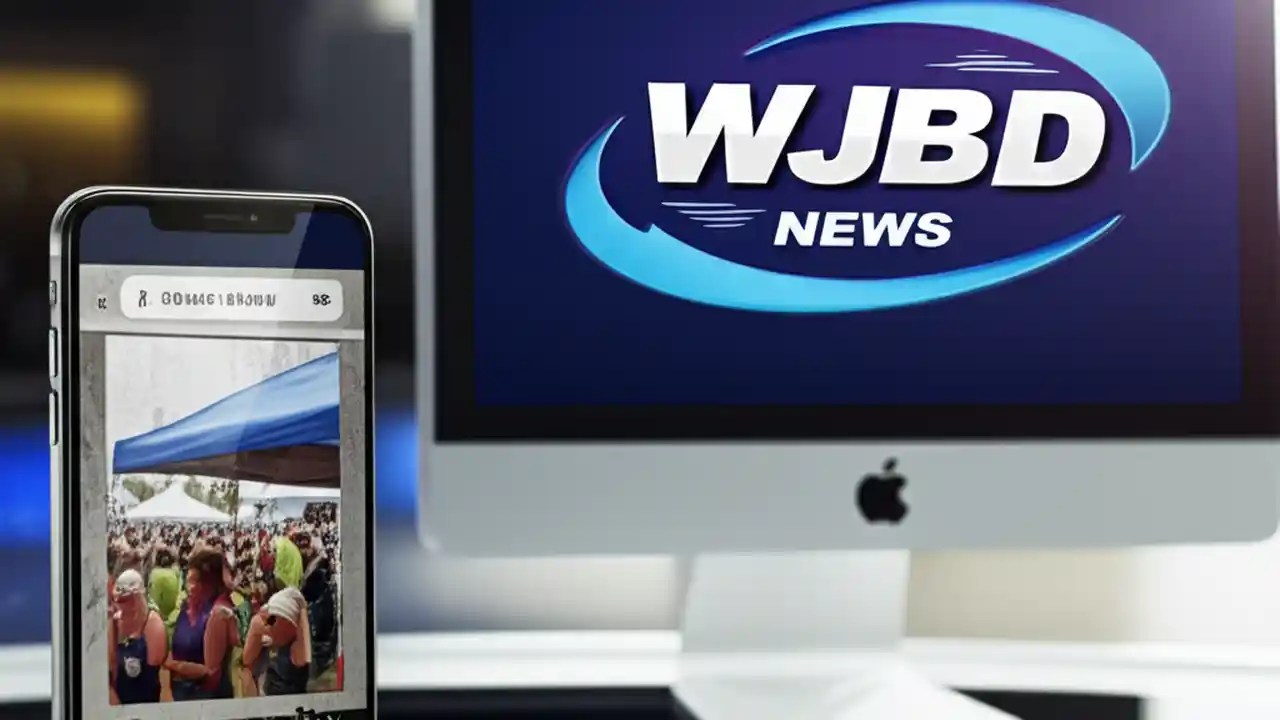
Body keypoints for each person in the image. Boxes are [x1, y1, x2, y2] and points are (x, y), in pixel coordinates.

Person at [165, 547, 238, 700]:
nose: (190, 587)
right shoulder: (186, 607)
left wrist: (173, 665)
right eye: (189, 580)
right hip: (181, 693)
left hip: (206, 698)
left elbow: (212, 674)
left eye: (196, 581)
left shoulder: (218, 613)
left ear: (210, 583)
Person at [108, 570, 166, 705]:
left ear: (137, 599)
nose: (120, 605)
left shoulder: (152, 623)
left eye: (126, 600)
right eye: (118, 601)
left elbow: (153, 676)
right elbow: (112, 663)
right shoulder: (115, 622)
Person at [242, 587, 311, 696]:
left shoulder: (298, 646)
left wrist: (302, 610)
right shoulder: (272, 629)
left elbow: (303, 657)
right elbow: (247, 659)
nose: (269, 626)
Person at [147, 546, 181, 623]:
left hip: (158, 616)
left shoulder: (155, 574)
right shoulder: (176, 572)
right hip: (173, 614)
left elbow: (154, 598)